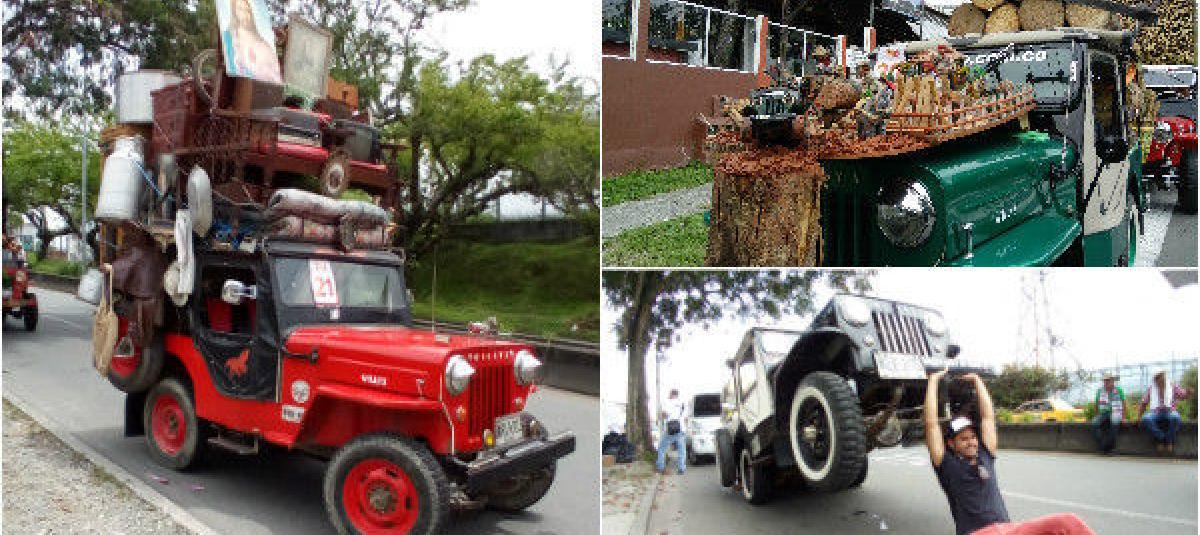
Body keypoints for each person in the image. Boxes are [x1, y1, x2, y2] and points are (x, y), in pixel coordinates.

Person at [925, 369, 1095, 535]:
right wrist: (933, 382)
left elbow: (988, 417)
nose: (971, 442)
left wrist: (978, 381)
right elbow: (931, 423)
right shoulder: (946, 464)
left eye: (973, 437)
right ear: (951, 444)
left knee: (1067, 522)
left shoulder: (985, 456)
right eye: (963, 439)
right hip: (977, 532)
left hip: (1009, 529)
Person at [221, 0, 282, 83]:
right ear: (235, 11)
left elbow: (272, 73)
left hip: (261, 84)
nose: (245, 13)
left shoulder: (261, 41)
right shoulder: (229, 35)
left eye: (246, 9)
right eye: (240, 9)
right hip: (236, 82)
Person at [1138, 370, 1189, 453]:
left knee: (1176, 418)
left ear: (1164, 376)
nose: (1160, 379)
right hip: (1155, 412)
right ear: (1155, 379)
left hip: (1170, 410)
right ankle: (1161, 438)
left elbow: (1182, 396)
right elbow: (1144, 402)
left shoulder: (1172, 386)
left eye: (1161, 376)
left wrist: (1187, 393)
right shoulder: (1151, 388)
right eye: (1157, 377)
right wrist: (1139, 417)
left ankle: (1169, 440)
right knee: (1146, 419)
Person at [1091, 373, 1125, 454]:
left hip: (1116, 411)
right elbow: (1096, 404)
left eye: (1108, 381)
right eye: (1105, 381)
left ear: (1112, 381)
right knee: (1094, 423)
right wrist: (1096, 415)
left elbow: (1124, 403)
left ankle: (1110, 447)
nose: (1106, 382)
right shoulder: (1100, 391)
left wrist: (1123, 417)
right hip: (1104, 412)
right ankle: (1103, 445)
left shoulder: (1119, 390)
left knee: (1114, 422)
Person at [656, 389, 687, 475]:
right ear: (677, 395)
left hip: (669, 430)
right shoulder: (682, 403)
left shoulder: (666, 402)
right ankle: (681, 469)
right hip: (680, 429)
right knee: (682, 450)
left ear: (671, 394)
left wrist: (663, 417)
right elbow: (685, 417)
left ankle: (660, 467)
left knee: (662, 448)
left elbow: (664, 415)